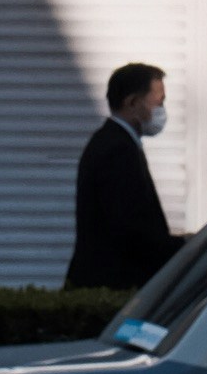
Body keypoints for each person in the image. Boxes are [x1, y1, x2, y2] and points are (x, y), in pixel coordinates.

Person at [67, 60, 177, 292]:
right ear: (133, 103)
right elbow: (130, 228)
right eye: (159, 102)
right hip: (110, 286)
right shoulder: (117, 149)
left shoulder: (115, 142)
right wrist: (180, 247)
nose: (162, 110)